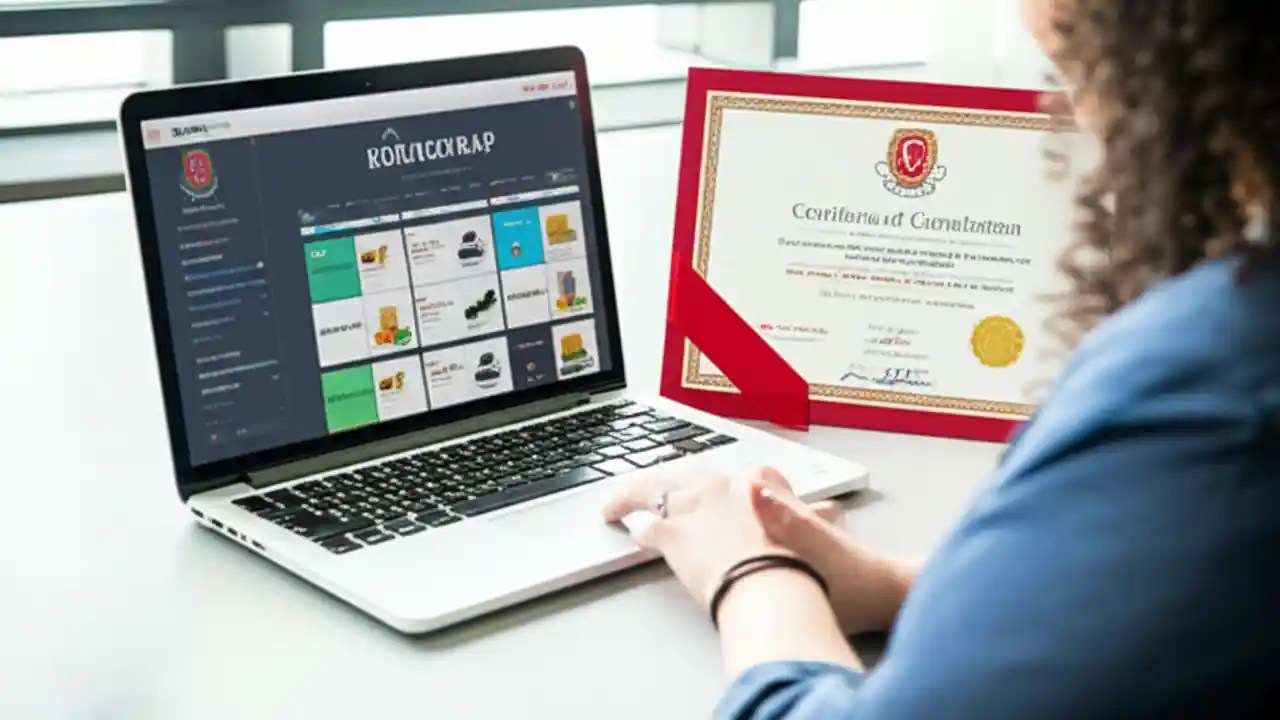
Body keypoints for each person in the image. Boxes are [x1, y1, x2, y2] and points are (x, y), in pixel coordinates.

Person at [603, 1, 1280, 716]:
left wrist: (749, 569)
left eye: (1087, 72)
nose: (1085, 117)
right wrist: (908, 586)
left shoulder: (1218, 388)